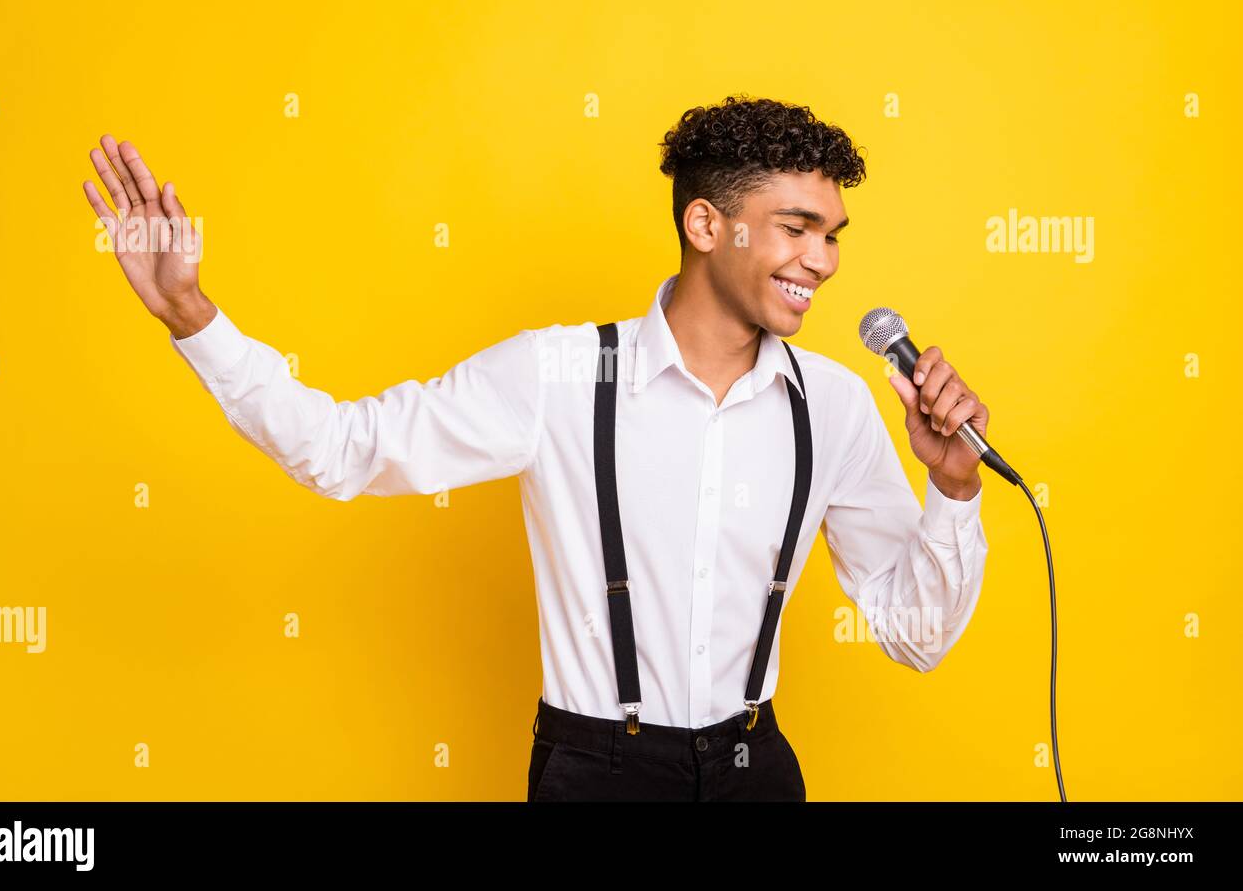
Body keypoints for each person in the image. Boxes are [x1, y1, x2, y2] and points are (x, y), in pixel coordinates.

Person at [80, 95, 990, 801]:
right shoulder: (556, 376)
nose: (823, 262)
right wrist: (192, 316)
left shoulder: (830, 405)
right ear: (707, 226)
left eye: (830, 237)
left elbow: (914, 637)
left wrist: (952, 494)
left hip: (759, 770)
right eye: (797, 229)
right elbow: (343, 448)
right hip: (597, 774)